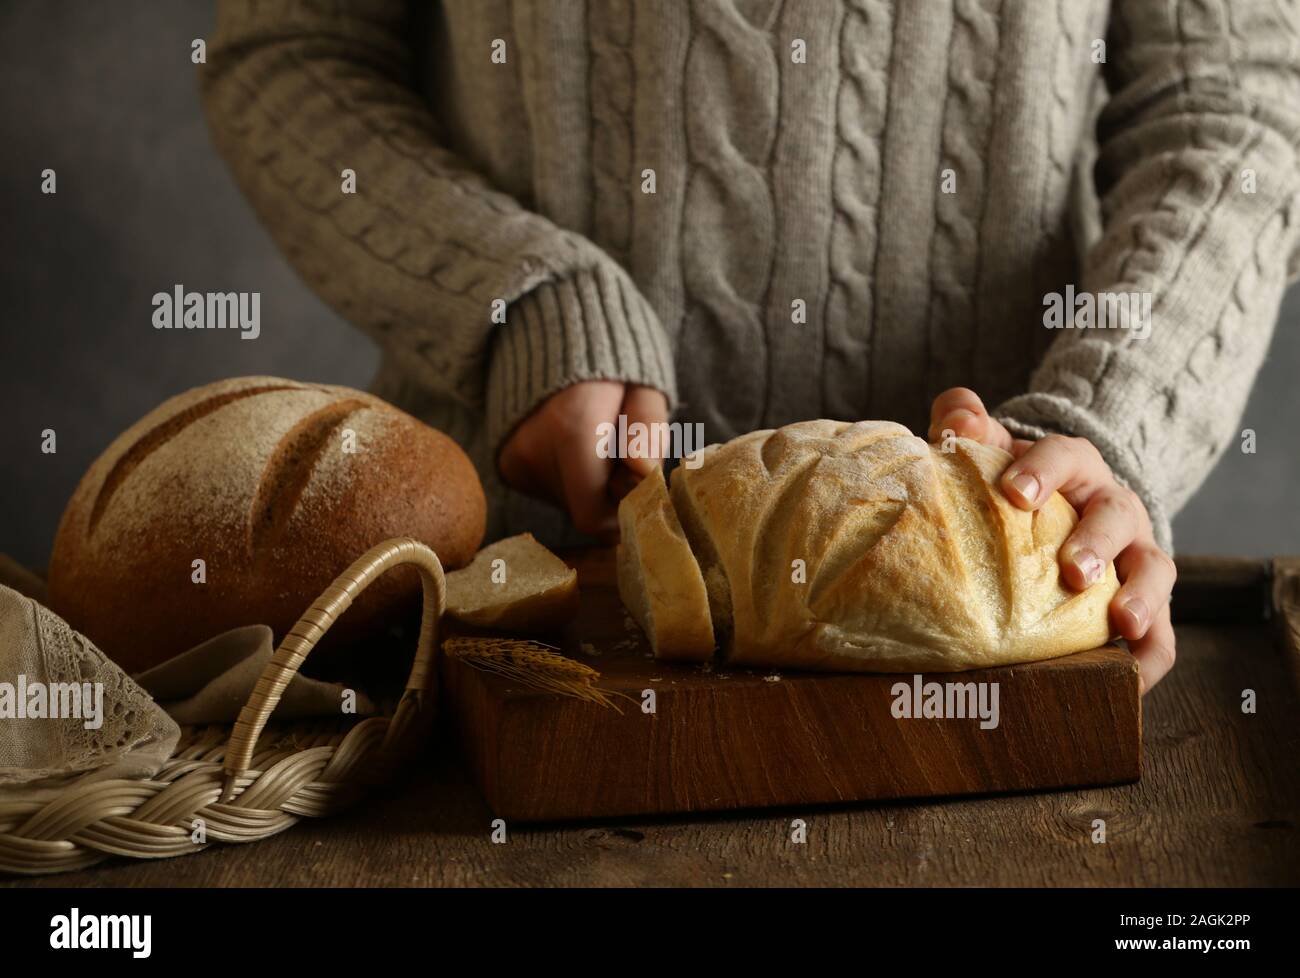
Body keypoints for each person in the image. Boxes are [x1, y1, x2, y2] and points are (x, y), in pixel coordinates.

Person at [199, 1, 1300, 693]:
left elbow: (1237, 105)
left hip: (1008, 604)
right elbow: (288, 52)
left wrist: (1110, 410)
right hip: (517, 619)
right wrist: (518, 299)